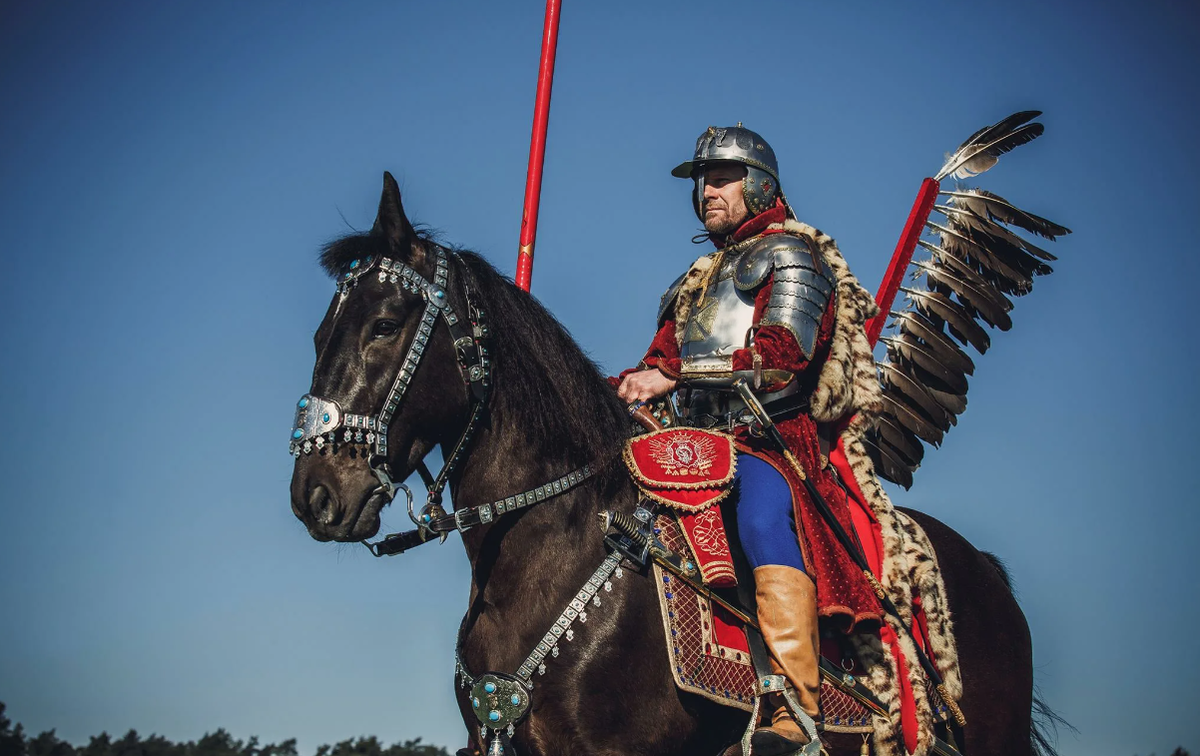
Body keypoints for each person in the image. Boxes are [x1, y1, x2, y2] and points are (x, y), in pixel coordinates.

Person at [617, 125, 885, 756]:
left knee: (761, 514)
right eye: (700, 181)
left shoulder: (791, 255)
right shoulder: (695, 280)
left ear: (759, 183)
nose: (706, 191)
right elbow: (654, 363)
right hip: (693, 438)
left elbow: (784, 355)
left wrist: (673, 373)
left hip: (770, 440)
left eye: (721, 177)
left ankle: (793, 703)